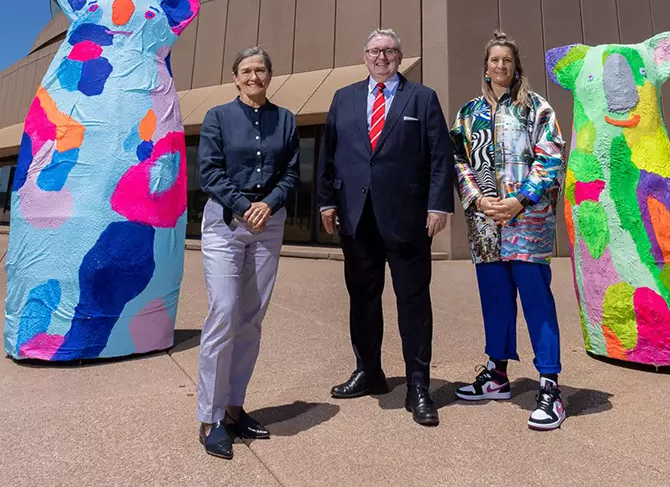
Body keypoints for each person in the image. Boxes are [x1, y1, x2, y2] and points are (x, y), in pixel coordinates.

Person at [317, 28, 454, 426]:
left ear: (400, 56)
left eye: (390, 51)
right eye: (376, 51)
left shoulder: (422, 97)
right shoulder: (344, 98)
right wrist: (326, 200)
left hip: (408, 218)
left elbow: (439, 157)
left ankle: (418, 385)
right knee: (362, 298)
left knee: (413, 301)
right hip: (355, 216)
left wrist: (438, 206)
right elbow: (329, 153)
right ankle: (369, 371)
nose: (382, 57)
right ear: (365, 56)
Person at [449, 31, 568, 430]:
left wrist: (521, 199)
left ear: (516, 67)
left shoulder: (536, 108)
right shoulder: (468, 114)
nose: (500, 66)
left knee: (537, 301)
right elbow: (457, 160)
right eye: (494, 60)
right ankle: (497, 375)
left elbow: (551, 156)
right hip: (485, 224)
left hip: (527, 222)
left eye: (507, 61)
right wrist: (479, 200)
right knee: (495, 300)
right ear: (485, 66)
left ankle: (550, 384)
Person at [196, 47, 300, 460]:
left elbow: (292, 172)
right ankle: (209, 418)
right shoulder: (217, 117)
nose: (254, 75)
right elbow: (209, 172)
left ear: (269, 76)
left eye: (260, 69)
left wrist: (268, 204)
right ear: (235, 78)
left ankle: (235, 408)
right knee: (223, 311)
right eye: (246, 70)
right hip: (226, 223)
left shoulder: (286, 119)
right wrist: (245, 206)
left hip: (268, 224)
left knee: (252, 318)